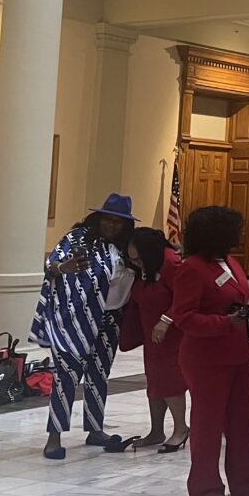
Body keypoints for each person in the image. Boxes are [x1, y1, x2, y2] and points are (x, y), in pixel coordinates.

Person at [170, 206, 249, 496]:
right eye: (234, 229)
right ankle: (204, 487)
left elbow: (241, 302)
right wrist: (224, 323)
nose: (239, 234)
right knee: (208, 423)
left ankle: (245, 480)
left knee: (241, 420)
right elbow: (183, 317)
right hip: (206, 356)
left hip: (239, 352)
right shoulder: (192, 268)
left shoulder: (232, 264)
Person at [33, 193, 137, 458]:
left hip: (110, 319)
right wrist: (63, 267)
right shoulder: (77, 238)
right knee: (65, 376)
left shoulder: (128, 247)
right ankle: (53, 438)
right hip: (74, 319)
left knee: (99, 375)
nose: (112, 226)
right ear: (99, 218)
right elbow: (50, 265)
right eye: (108, 220)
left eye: (118, 222)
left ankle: (95, 428)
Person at [120, 227, 188, 452]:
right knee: (155, 379)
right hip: (152, 332)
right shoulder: (146, 265)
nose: (136, 264)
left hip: (172, 331)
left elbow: (185, 297)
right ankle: (156, 430)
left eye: (138, 259)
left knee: (170, 378)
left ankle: (180, 429)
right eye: (132, 260)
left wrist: (166, 320)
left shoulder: (171, 263)